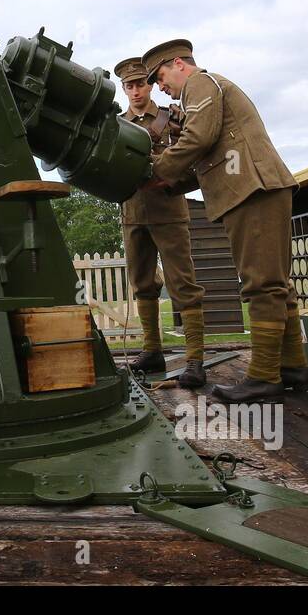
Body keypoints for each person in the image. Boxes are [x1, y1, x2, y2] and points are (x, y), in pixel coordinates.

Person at [141, 39, 308, 402]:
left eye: (159, 76)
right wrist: (170, 184)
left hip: (251, 188)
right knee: (277, 283)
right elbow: (208, 156)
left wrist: (159, 167)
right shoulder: (209, 89)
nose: (159, 87)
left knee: (262, 285)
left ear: (178, 64)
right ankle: (293, 367)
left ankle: (265, 376)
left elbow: (198, 139)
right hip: (256, 187)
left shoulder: (200, 85)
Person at [112, 55, 206, 385]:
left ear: (150, 85)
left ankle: (195, 359)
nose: (135, 90)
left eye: (140, 83)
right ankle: (151, 350)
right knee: (142, 284)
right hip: (133, 213)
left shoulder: (172, 117)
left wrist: (171, 181)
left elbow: (195, 158)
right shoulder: (116, 125)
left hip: (169, 212)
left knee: (183, 285)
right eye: (129, 85)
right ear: (123, 89)